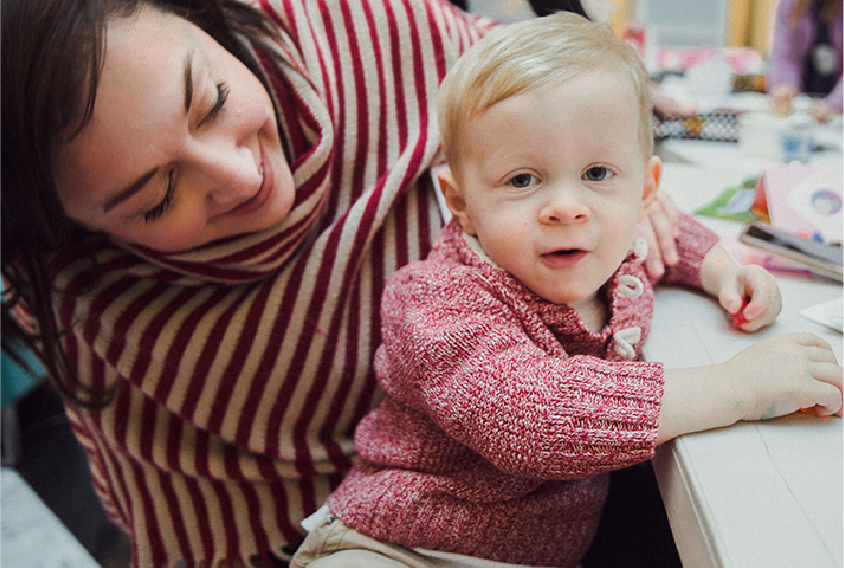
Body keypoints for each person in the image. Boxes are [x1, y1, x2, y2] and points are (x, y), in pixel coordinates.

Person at [0, 0, 688, 566]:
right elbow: (191, 535)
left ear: (209, 21)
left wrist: (613, 184)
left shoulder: (376, 36)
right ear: (72, 233)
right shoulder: (81, 305)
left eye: (210, 101)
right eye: (155, 198)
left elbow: (562, 97)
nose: (241, 178)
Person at [291, 12, 844, 568]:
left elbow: (670, 238)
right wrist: (736, 387)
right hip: (401, 544)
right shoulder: (435, 299)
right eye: (523, 180)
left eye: (598, 173)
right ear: (459, 201)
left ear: (646, 188)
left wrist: (722, 270)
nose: (567, 206)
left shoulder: (616, 254)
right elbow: (526, 417)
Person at [768, 0, 844, 122]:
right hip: (806, 109)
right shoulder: (790, 5)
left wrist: (836, 104)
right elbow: (784, 54)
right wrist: (784, 84)